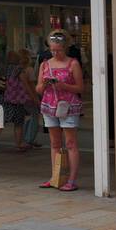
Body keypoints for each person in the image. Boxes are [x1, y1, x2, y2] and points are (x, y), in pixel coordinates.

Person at [37, 31, 84, 192]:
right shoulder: (45, 64)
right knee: (55, 143)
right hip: (49, 105)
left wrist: (63, 86)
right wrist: (44, 84)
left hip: (68, 106)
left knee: (70, 143)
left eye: (58, 50)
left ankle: (71, 179)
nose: (55, 53)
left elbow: (80, 88)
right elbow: (38, 89)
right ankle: (55, 177)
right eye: (52, 50)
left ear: (65, 48)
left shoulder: (73, 64)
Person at [0, 50, 38, 154]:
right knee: (18, 123)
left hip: (1, 99)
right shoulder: (18, 70)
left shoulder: (1, 68)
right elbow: (25, 84)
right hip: (15, 100)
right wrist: (33, 97)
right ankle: (19, 144)